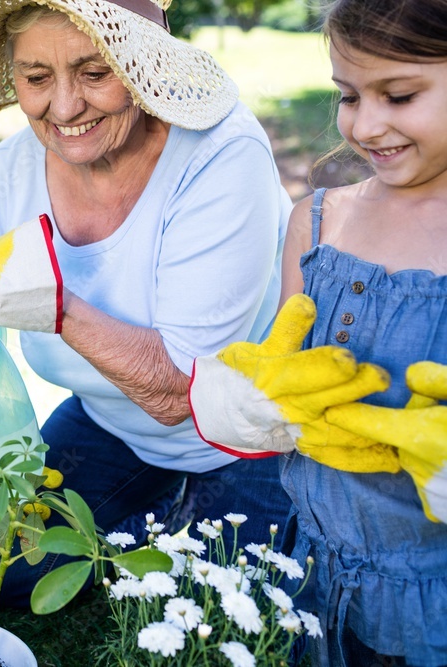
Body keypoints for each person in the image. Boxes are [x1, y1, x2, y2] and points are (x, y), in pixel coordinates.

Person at [0, 0, 293, 606]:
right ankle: (139, 529)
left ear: (144, 65)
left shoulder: (220, 155)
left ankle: (173, 528)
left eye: (96, 74)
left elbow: (181, 391)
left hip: (249, 430)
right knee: (4, 573)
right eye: (36, 78)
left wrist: (53, 304)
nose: (64, 107)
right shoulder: (9, 171)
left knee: (223, 605)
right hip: (110, 418)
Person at [190, 1, 447, 664]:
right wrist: (246, 402)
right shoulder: (318, 221)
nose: (365, 123)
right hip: (312, 574)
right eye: (348, 95)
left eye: (399, 94)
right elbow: (280, 377)